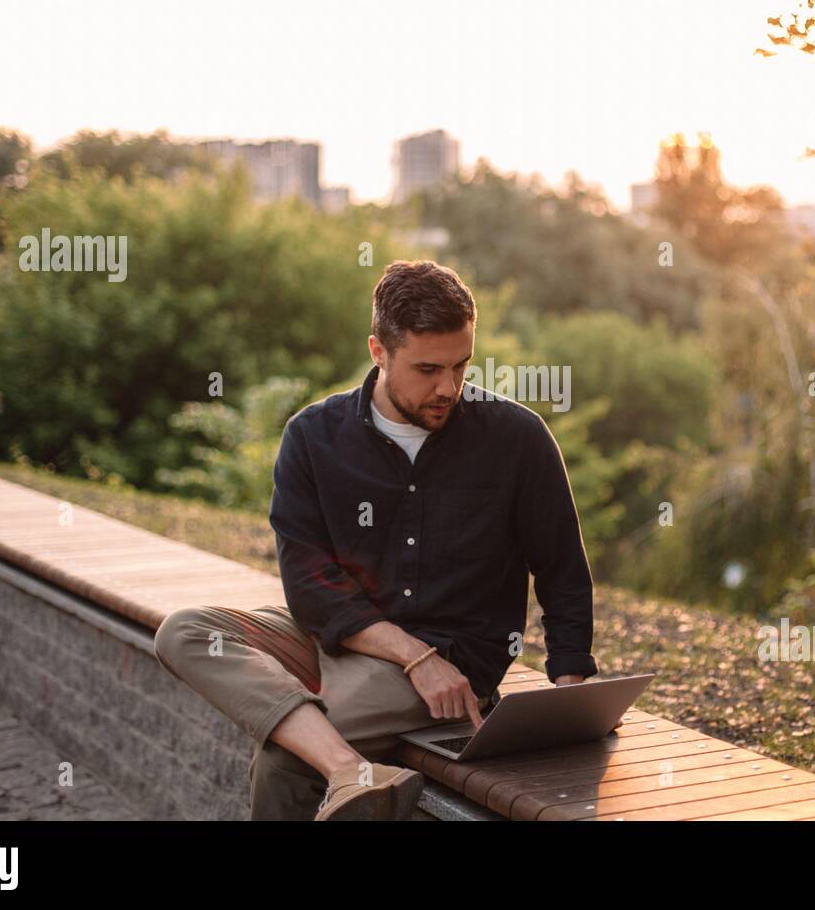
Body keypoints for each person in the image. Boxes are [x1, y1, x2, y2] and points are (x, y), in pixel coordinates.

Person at [155, 260, 606, 820]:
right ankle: (352, 773)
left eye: (461, 365)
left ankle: (342, 767)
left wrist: (572, 692)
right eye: (428, 369)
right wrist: (413, 655)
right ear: (378, 352)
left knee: (286, 761)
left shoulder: (517, 439)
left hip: (452, 664)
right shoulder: (313, 437)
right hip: (342, 637)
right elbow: (307, 585)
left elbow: (562, 572)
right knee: (184, 631)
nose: (449, 387)